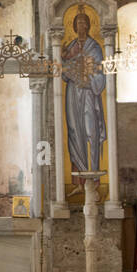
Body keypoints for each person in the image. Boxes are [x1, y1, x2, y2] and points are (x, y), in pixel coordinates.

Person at [61, 11, 106, 174]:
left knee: (90, 130)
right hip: (73, 92)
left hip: (88, 92)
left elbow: (99, 70)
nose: (82, 26)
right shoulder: (70, 46)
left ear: (88, 25)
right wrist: (65, 61)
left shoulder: (94, 47)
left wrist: (88, 77)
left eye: (84, 22)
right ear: (74, 26)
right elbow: (63, 71)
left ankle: (93, 177)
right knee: (73, 128)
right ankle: (79, 179)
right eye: (78, 23)